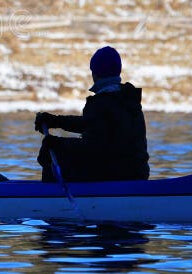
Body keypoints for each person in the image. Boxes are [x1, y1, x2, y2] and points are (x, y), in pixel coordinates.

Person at [35, 46, 149, 183]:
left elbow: (93, 146)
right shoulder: (127, 99)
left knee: (53, 152)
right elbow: (93, 124)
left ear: (95, 74)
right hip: (138, 173)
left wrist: (57, 143)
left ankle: (47, 197)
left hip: (114, 175)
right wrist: (56, 121)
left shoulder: (101, 103)